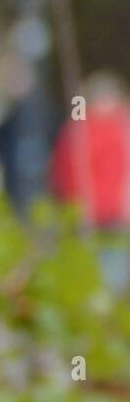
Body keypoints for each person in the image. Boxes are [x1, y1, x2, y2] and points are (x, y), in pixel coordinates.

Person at [49, 71, 130, 292]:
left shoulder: (121, 128)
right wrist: (75, 205)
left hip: (116, 213)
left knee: (113, 266)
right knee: (97, 268)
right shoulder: (79, 130)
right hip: (90, 213)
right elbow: (66, 172)